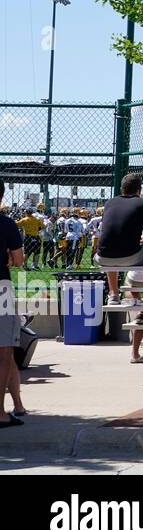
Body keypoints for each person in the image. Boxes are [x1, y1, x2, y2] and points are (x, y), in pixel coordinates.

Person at [95, 174, 143, 303]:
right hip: (131, 257)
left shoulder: (109, 202)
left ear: (122, 189)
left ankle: (113, 294)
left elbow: (109, 234)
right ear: (139, 190)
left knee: (111, 248)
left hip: (102, 257)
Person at [0, 180, 25, 429]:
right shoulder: (6, 223)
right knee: (4, 353)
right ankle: (0, 412)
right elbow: (19, 261)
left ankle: (17, 404)